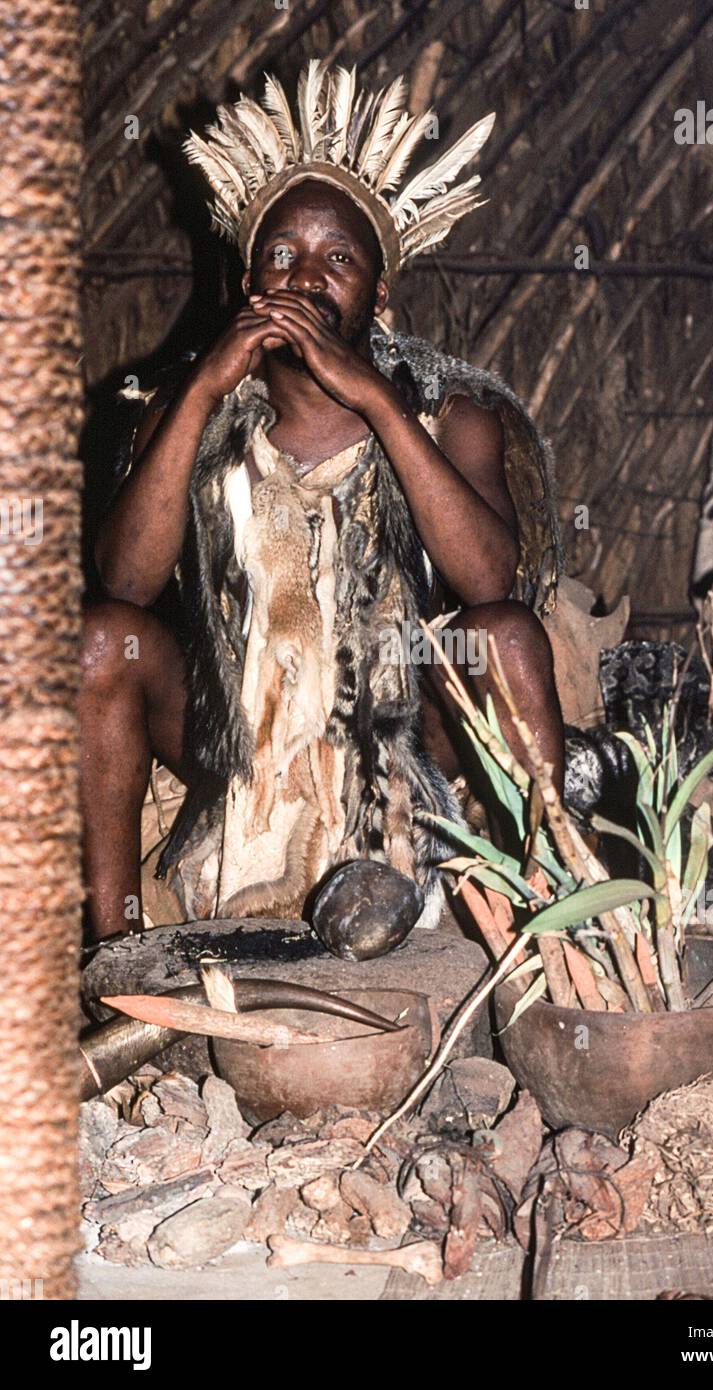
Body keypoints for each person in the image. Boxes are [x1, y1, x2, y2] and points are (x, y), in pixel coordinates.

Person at [81, 60, 564, 944]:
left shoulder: (449, 417)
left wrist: (378, 403)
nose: (307, 278)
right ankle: (114, 947)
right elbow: (125, 580)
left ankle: (546, 928)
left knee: (507, 638)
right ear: (246, 287)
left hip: (399, 725)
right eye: (282, 256)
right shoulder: (186, 415)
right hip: (231, 727)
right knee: (99, 643)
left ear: (378, 295)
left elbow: (495, 577)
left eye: (338, 259)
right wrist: (197, 394)